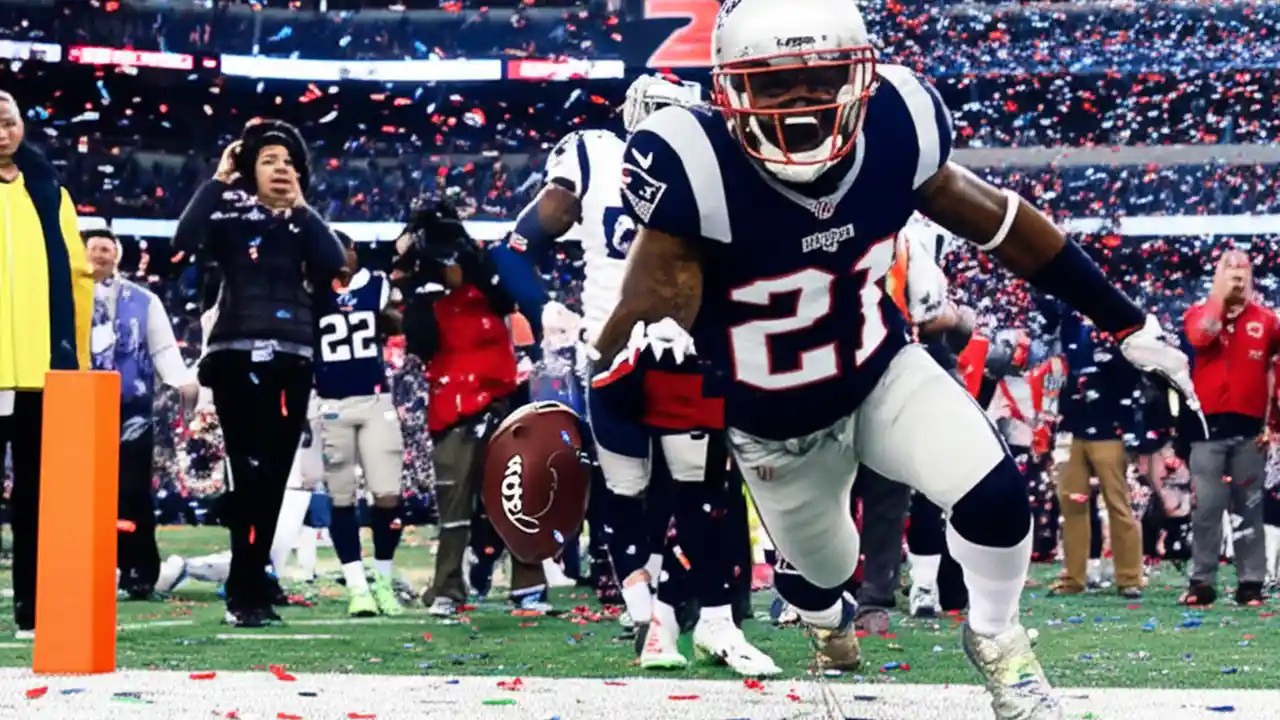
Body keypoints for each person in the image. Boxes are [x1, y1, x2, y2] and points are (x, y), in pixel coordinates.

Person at [588, 2, 1199, 717]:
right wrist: (608, 386)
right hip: (771, 424)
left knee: (996, 498)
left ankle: (1000, 643)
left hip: (879, 371)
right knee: (821, 577)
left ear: (861, 77)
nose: (801, 103)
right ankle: (826, 613)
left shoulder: (896, 123)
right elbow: (643, 317)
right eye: (773, 82)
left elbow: (1002, 223)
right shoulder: (693, 163)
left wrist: (1127, 323)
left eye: (820, 78)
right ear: (727, 90)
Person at [503, 74, 779, 676]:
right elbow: (514, 247)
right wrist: (545, 308)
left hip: (681, 349)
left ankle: (714, 622)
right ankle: (649, 618)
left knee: (700, 492)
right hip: (611, 349)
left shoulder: (714, 168)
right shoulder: (593, 153)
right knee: (627, 490)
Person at [172, 118, 345, 627]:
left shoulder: (305, 223)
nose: (280, 168)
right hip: (234, 355)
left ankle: (252, 582)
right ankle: (244, 592)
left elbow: (334, 262)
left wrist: (303, 207)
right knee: (249, 475)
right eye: (268, 160)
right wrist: (219, 180)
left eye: (288, 162)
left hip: (293, 358)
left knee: (271, 480)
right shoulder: (227, 217)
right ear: (248, 169)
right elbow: (182, 240)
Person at [394, 202, 544, 616]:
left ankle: (528, 588)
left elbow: (516, 296)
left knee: (517, 502)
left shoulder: (488, 287)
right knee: (455, 511)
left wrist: (469, 259)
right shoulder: (425, 302)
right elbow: (419, 344)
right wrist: (418, 281)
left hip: (500, 403)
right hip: (455, 411)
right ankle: (447, 589)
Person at [0, 89, 94, 639]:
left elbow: (78, 275)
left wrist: (73, 358)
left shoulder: (49, 189)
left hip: (41, 371)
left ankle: (32, 610)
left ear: (22, 126)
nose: (2, 133)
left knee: (37, 497)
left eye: (8, 122)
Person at [83, 229, 200, 599]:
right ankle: (83, 566)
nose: (100, 255)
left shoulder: (143, 299)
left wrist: (181, 380)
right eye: (94, 248)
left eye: (106, 249)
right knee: (81, 494)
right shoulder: (64, 294)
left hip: (130, 410)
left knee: (132, 493)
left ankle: (138, 572)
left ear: (116, 255)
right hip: (76, 409)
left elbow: (163, 346)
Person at [314, 232, 406, 618]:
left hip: (374, 400)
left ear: (354, 252)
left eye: (343, 249)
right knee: (341, 496)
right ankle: (356, 586)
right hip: (331, 402)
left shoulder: (377, 282)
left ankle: (382, 578)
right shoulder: (310, 289)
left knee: (388, 494)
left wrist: (391, 319)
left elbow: (399, 319)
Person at [1182, 250, 1280, 606]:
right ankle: (1201, 582)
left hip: (1250, 431)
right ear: (1217, 274)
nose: (1238, 276)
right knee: (1206, 509)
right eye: (1230, 269)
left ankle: (1251, 583)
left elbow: (1275, 369)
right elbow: (1200, 339)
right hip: (1208, 430)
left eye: (1244, 270)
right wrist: (1219, 299)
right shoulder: (1198, 314)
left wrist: (1274, 423)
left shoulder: (1267, 321)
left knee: (1249, 509)